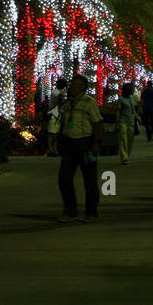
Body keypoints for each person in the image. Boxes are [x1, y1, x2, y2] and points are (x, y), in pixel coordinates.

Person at [54, 73, 102, 222]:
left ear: (82, 87)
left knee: (90, 180)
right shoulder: (68, 103)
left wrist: (96, 143)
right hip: (69, 144)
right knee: (64, 178)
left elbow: (97, 123)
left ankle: (91, 212)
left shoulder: (89, 102)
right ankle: (70, 210)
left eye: (74, 84)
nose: (70, 87)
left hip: (86, 144)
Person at [117, 83, 139, 164]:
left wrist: (138, 118)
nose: (133, 90)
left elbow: (133, 110)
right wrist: (117, 123)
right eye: (132, 89)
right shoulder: (121, 99)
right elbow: (118, 112)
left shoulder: (132, 99)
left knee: (130, 140)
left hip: (131, 122)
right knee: (123, 140)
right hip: (123, 122)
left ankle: (127, 155)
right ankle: (124, 157)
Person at [46, 78, 68, 157]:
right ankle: (50, 150)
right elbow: (60, 98)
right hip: (54, 114)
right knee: (51, 133)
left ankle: (54, 149)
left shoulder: (59, 92)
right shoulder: (55, 92)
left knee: (55, 134)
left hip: (58, 115)